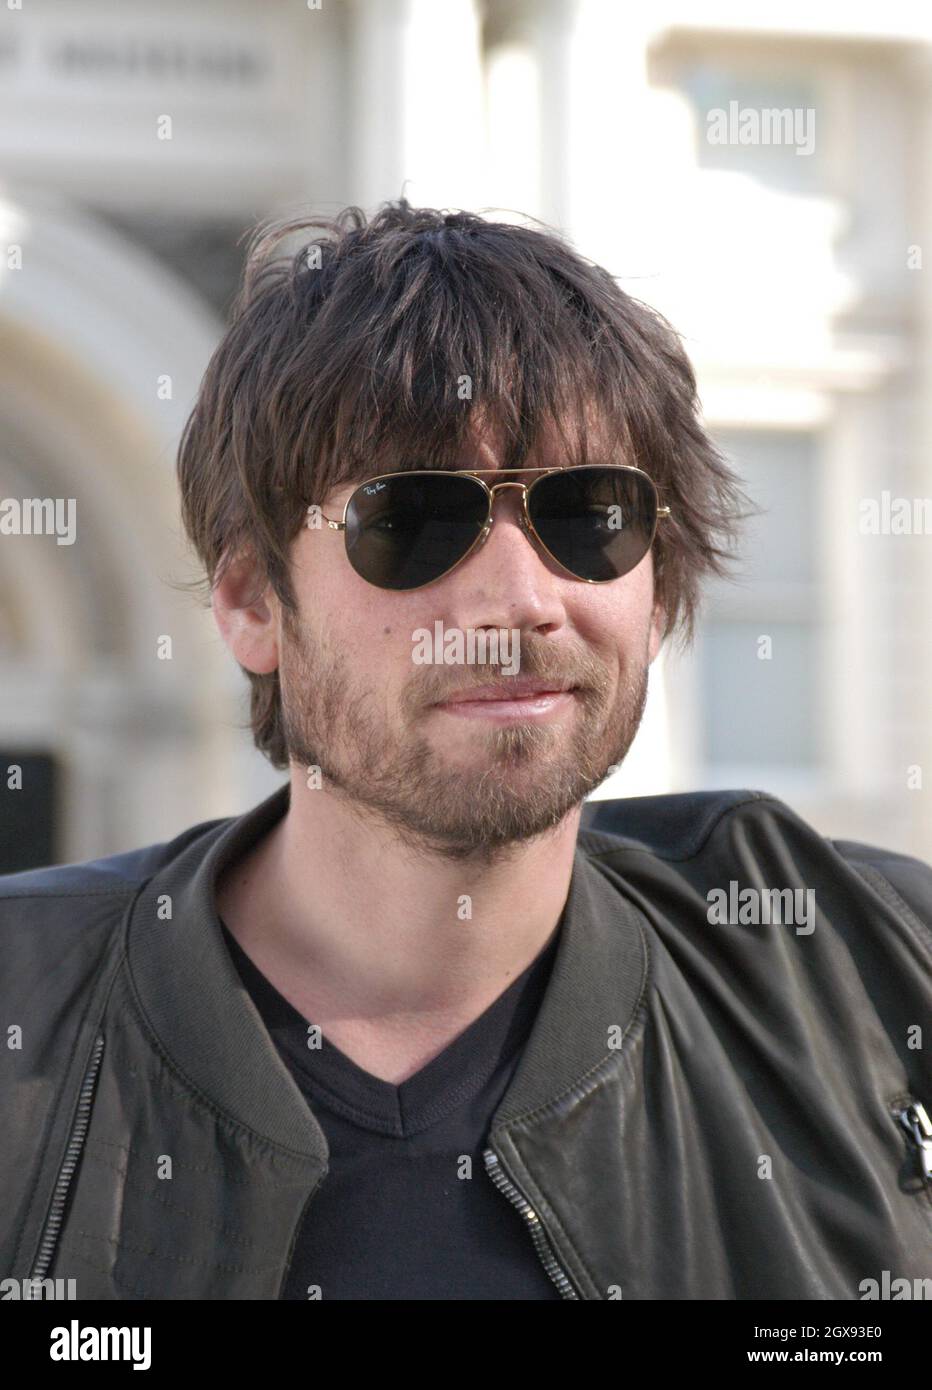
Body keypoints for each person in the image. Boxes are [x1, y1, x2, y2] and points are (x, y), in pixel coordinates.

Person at [1, 200, 930, 1301]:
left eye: (590, 515)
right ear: (251, 600)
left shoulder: (865, 979)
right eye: (416, 521)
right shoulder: (31, 1022)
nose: (522, 600)